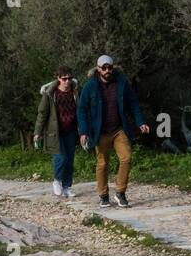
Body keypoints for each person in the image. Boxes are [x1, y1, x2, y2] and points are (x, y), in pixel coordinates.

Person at [77, 54, 148, 208]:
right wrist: (83, 131)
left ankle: (120, 193)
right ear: (98, 69)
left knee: (126, 158)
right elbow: (82, 109)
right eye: (104, 68)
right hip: (100, 131)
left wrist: (141, 122)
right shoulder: (90, 86)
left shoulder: (122, 83)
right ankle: (103, 196)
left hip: (119, 129)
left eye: (109, 67)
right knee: (102, 164)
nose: (107, 70)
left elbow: (133, 103)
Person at [33, 66, 80, 199]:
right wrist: (38, 132)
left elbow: (81, 110)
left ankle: (67, 186)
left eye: (69, 78)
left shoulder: (75, 92)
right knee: (61, 158)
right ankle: (57, 181)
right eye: (64, 79)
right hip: (55, 132)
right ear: (58, 78)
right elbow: (42, 114)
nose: (67, 81)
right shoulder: (50, 94)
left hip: (71, 130)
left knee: (70, 160)